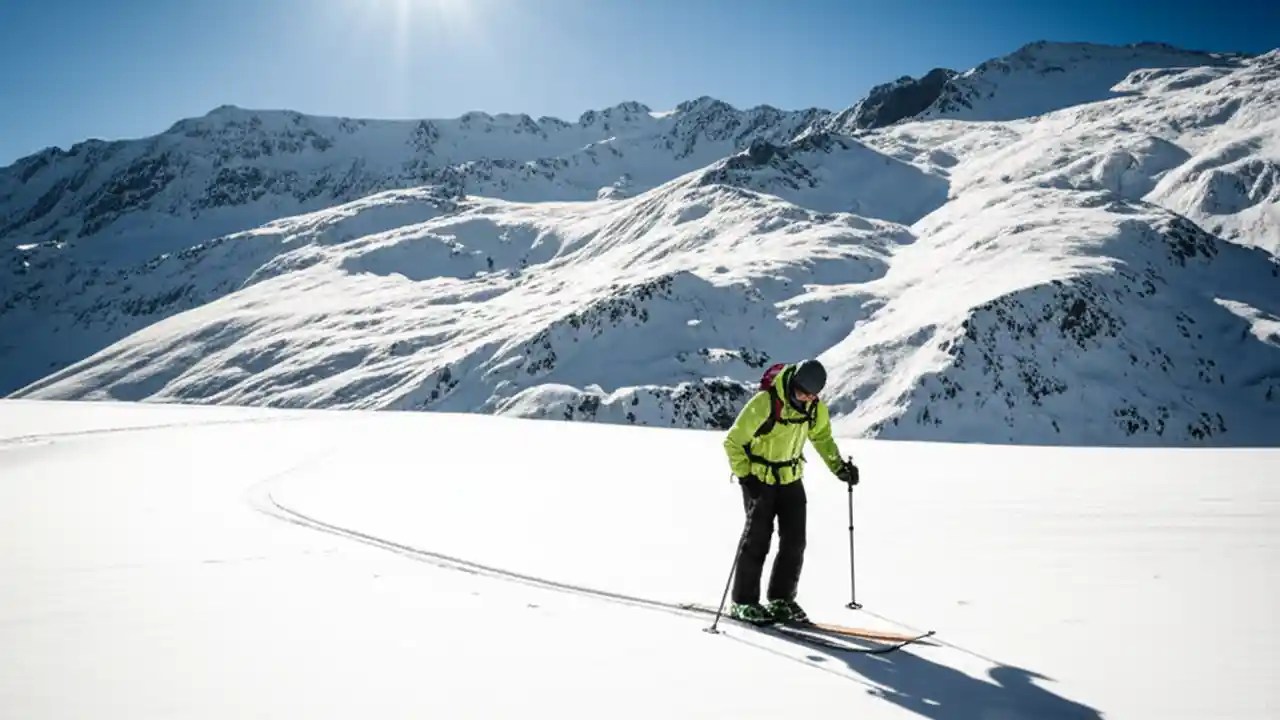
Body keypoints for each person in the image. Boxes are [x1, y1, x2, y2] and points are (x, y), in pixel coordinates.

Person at [721, 358, 858, 624]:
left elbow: (822, 438)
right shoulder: (766, 402)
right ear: (793, 384)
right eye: (802, 393)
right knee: (757, 541)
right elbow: (733, 441)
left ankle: (781, 599)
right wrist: (745, 476)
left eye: (812, 395)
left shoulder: (814, 409)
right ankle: (743, 601)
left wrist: (839, 468)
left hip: (791, 478)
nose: (806, 399)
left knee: (795, 541)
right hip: (759, 479)